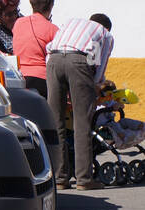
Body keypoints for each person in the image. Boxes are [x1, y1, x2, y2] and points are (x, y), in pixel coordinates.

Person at [46, 13, 115, 190]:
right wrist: (96, 86)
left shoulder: (71, 21)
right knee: (82, 122)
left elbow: (50, 47)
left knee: (56, 121)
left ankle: (60, 178)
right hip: (78, 61)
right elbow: (99, 66)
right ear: (106, 27)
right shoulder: (105, 34)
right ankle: (84, 179)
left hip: (53, 59)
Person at [11, 0, 58, 98]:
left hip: (20, 77)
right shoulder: (53, 29)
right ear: (51, 5)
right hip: (42, 79)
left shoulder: (18, 23)